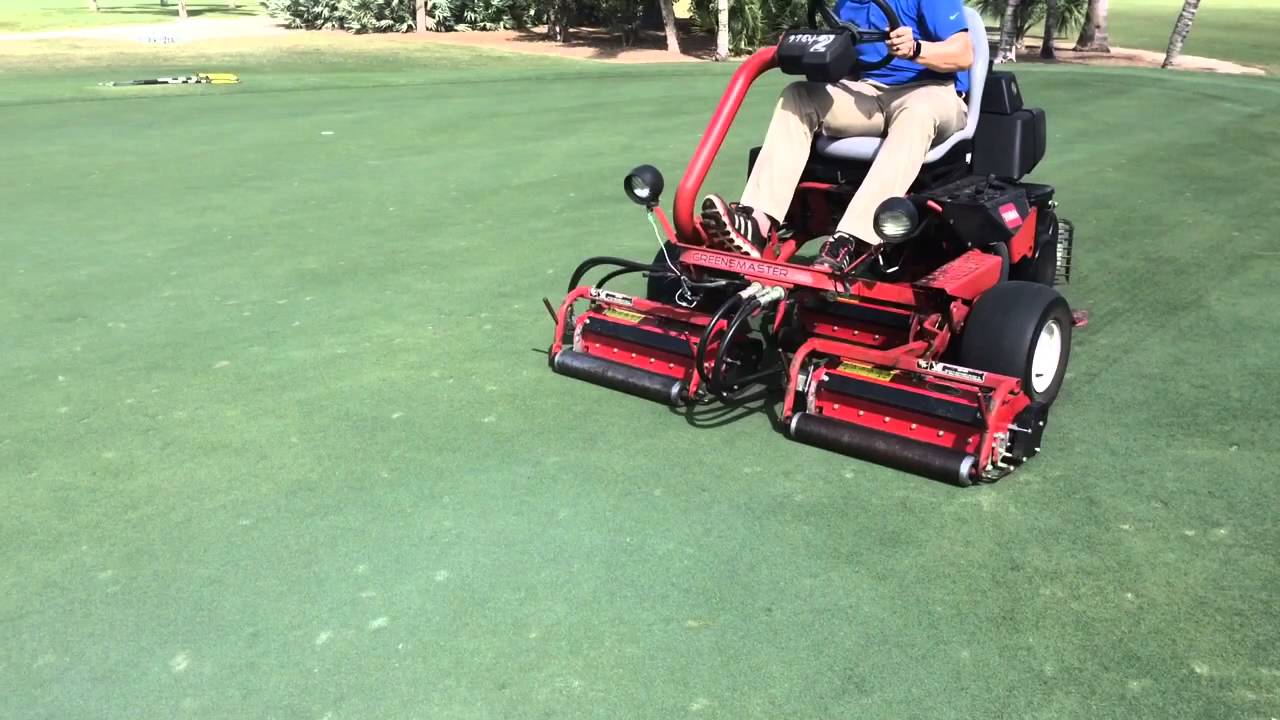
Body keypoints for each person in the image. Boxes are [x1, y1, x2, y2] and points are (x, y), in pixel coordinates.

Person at [699, 0, 975, 272]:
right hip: (868, 92)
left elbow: (963, 54)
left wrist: (916, 48)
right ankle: (756, 223)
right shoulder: (846, 5)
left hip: (934, 91)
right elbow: (843, 61)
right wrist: (803, 46)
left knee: (917, 112)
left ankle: (852, 238)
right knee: (800, 95)